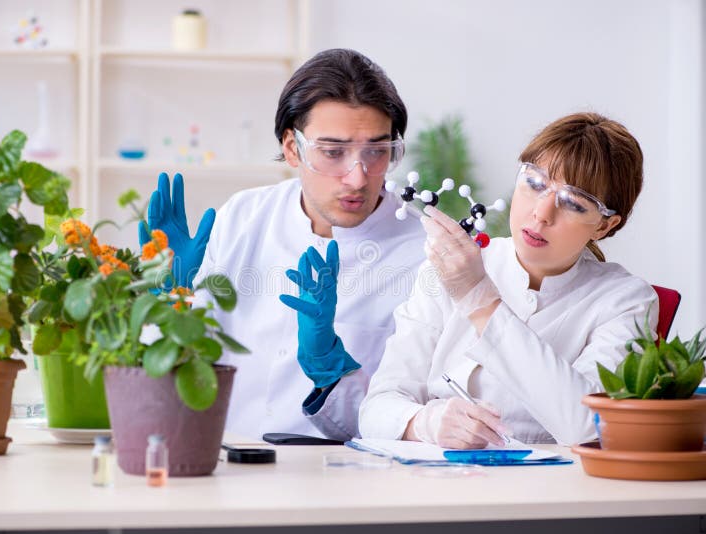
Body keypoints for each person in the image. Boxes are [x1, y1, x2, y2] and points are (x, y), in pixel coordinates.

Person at [139, 49, 425, 441]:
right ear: (292, 147)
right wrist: (171, 301)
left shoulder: (424, 252)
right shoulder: (243, 216)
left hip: (340, 478)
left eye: (377, 151)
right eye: (333, 152)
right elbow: (180, 365)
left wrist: (330, 369)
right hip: (222, 460)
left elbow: (410, 419)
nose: (358, 177)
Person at [359, 112, 659, 448]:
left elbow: (589, 427)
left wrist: (481, 301)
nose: (542, 213)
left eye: (572, 203)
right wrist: (424, 423)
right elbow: (376, 410)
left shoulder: (625, 300)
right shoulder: (451, 267)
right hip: (435, 483)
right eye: (534, 184)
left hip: (549, 491)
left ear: (604, 226)